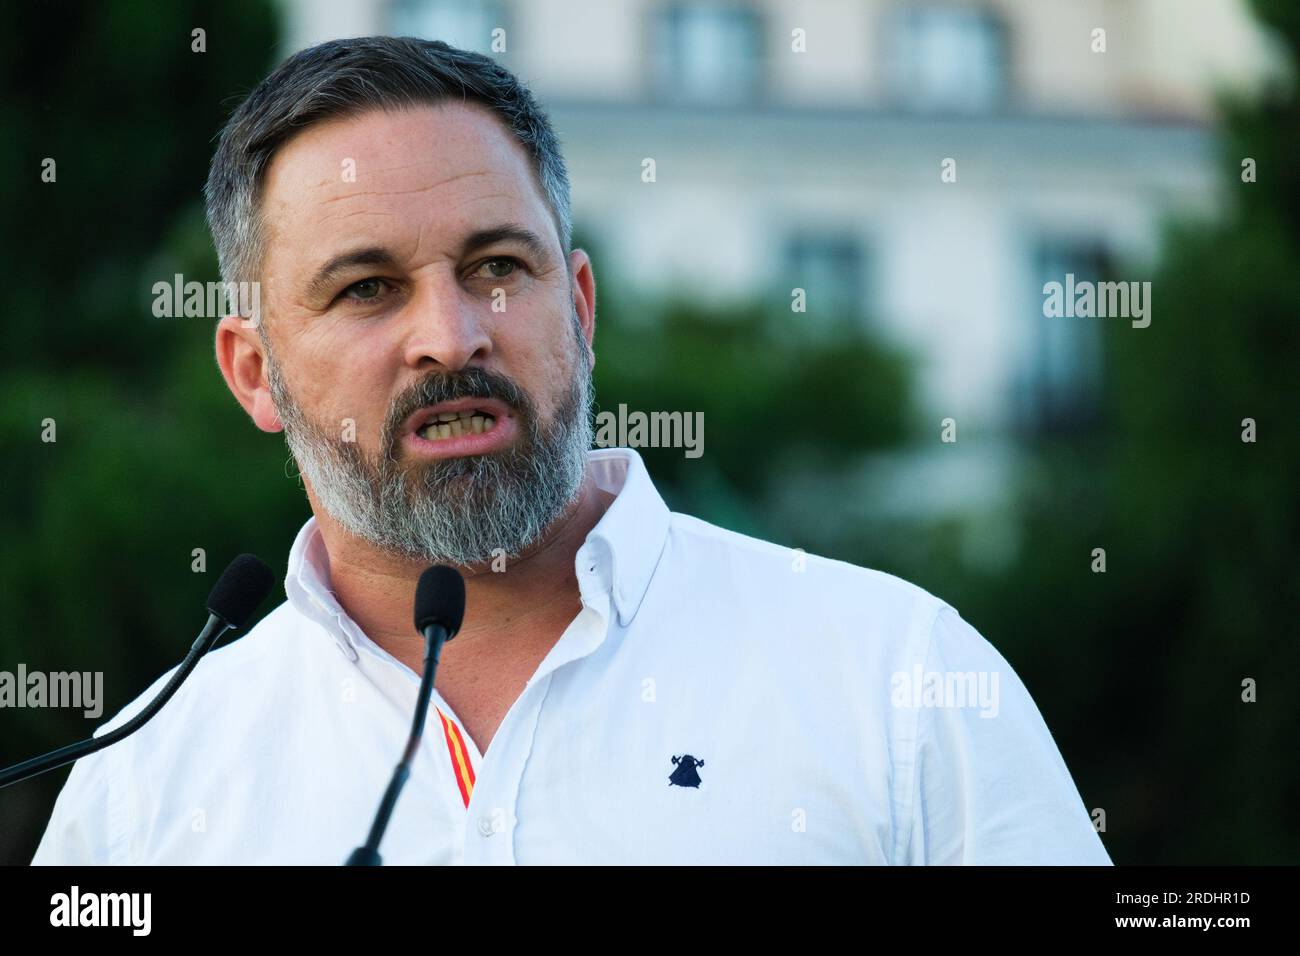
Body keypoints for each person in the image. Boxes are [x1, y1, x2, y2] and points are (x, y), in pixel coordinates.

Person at [32, 36, 1111, 865]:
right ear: (254, 371)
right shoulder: (138, 794)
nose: (452, 336)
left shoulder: (900, 680)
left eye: (497, 265)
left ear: (580, 307)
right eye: (367, 288)